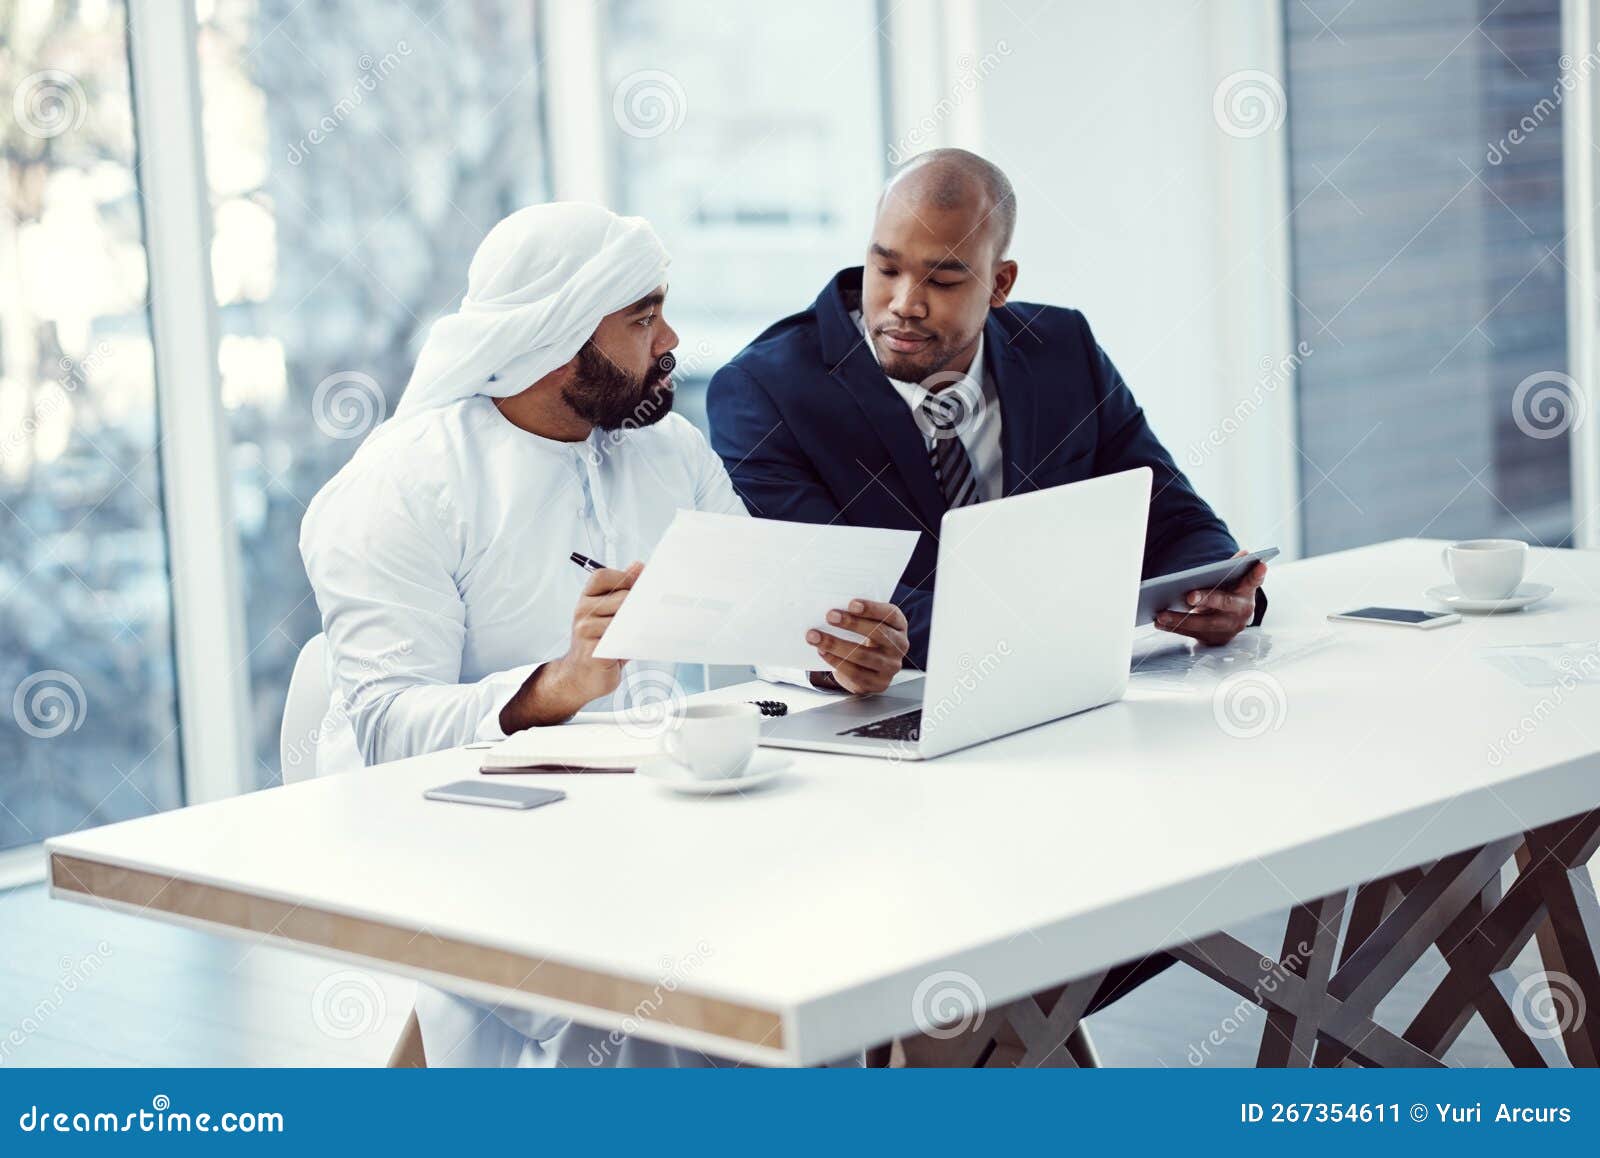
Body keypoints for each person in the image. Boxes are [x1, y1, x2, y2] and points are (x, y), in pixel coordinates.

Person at [300, 202, 907, 1066]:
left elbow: (775, 629)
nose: (670, 340)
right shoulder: (400, 487)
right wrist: (562, 684)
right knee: (680, 972)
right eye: (642, 318)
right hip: (469, 842)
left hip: (657, 818)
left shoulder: (674, 455)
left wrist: (844, 661)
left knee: (835, 916)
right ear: (556, 338)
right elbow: (388, 731)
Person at [707, 148, 1266, 671]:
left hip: (1073, 686)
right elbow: (826, 592)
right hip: (898, 704)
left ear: (1000, 283)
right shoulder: (763, 392)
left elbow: (1173, 518)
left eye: (943, 279)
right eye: (886, 269)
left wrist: (1216, 592)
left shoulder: (1063, 348)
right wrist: (1045, 633)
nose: (905, 305)